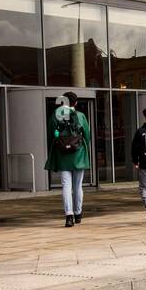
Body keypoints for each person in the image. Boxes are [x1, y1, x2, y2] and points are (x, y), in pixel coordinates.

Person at [46, 92, 90, 228]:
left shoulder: (57, 115)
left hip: (63, 153)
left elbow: (51, 134)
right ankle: (78, 214)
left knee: (66, 186)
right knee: (78, 186)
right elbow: (87, 136)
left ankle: (69, 216)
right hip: (78, 154)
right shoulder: (81, 116)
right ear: (75, 103)